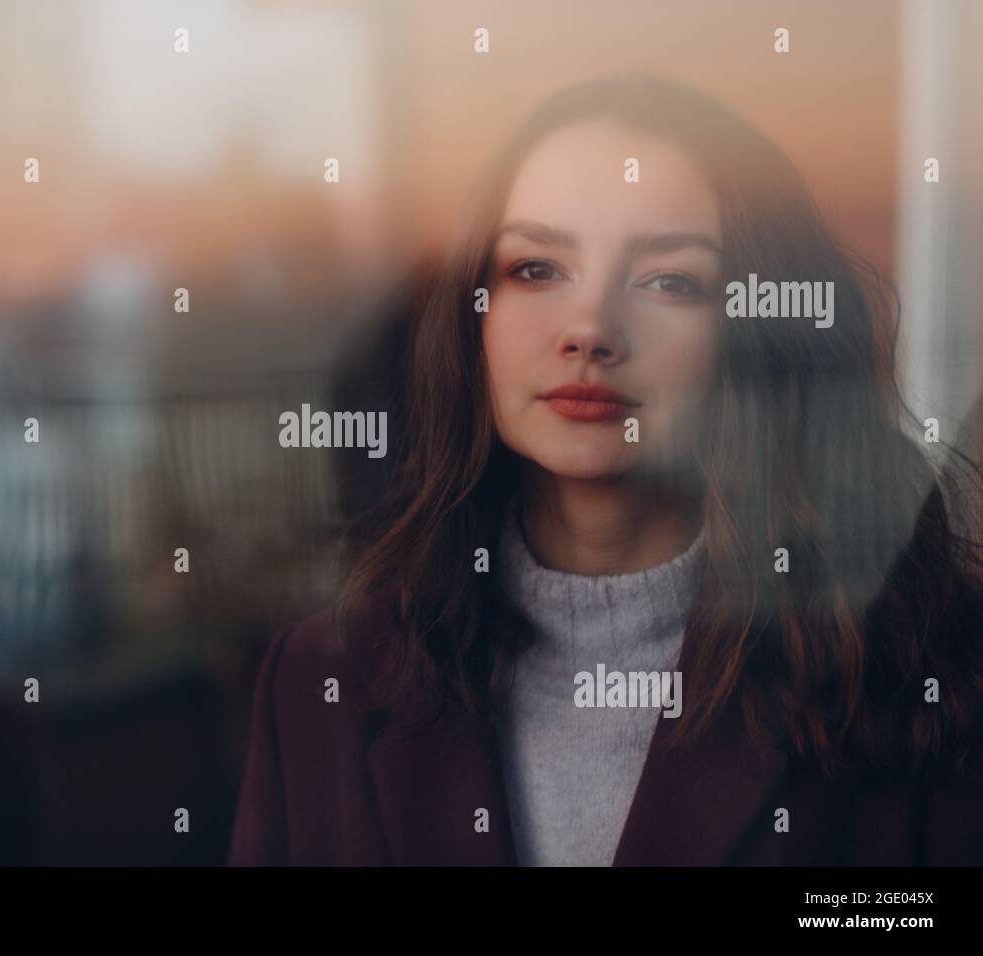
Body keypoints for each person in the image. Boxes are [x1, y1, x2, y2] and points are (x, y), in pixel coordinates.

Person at [227, 73, 983, 866]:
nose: (589, 329)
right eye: (536, 269)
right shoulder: (324, 684)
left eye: (670, 281)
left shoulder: (918, 666)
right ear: (472, 315)